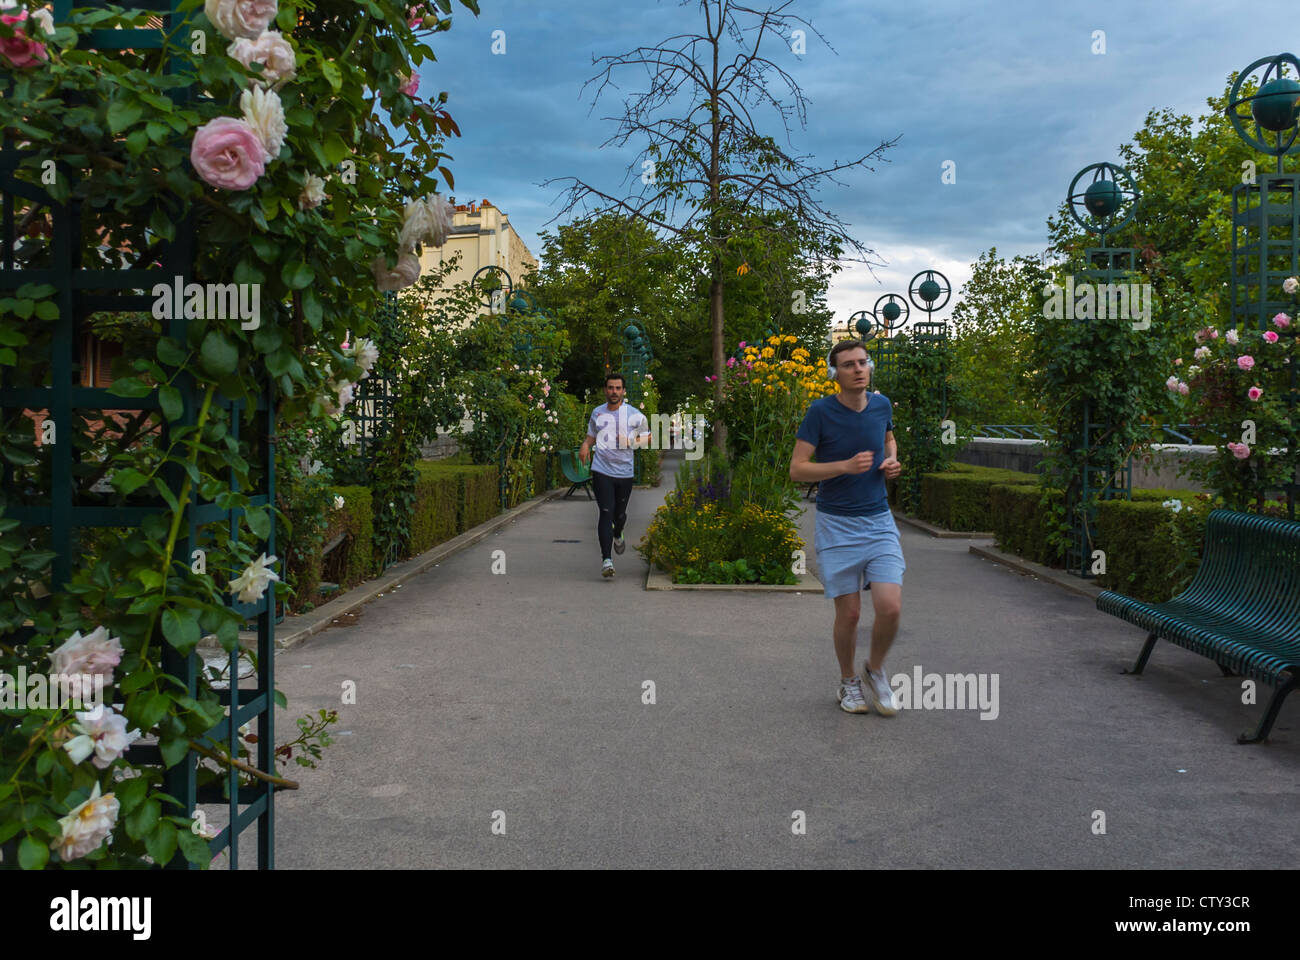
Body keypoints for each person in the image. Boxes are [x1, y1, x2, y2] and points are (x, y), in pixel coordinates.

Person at [788, 339, 905, 715]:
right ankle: (848, 681)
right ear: (834, 374)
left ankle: (875, 669)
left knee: (890, 607)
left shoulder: (882, 405)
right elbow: (797, 469)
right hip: (837, 524)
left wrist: (892, 461)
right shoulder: (820, 412)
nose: (858, 369)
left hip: (878, 520)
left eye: (862, 362)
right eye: (849, 364)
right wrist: (844, 466)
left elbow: (889, 440)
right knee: (850, 613)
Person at [578, 373, 652, 579]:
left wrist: (630, 442)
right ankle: (606, 560)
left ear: (623, 391)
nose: (614, 392)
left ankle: (618, 531)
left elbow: (648, 438)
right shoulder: (597, 413)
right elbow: (591, 436)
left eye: (618, 388)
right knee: (605, 512)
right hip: (601, 470)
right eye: (610, 388)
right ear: (605, 390)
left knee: (619, 515)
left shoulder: (634, 415)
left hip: (624, 473)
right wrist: (585, 445)